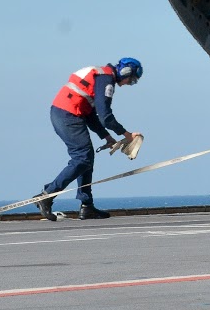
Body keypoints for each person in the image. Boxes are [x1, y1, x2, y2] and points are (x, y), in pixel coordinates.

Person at [39, 58, 143, 220]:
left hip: (65, 113)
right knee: (82, 158)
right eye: (132, 80)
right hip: (68, 115)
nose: (130, 83)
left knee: (87, 158)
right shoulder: (107, 81)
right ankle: (47, 195)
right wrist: (127, 134)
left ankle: (86, 206)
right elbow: (105, 117)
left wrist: (107, 137)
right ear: (125, 72)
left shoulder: (102, 77)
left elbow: (90, 115)